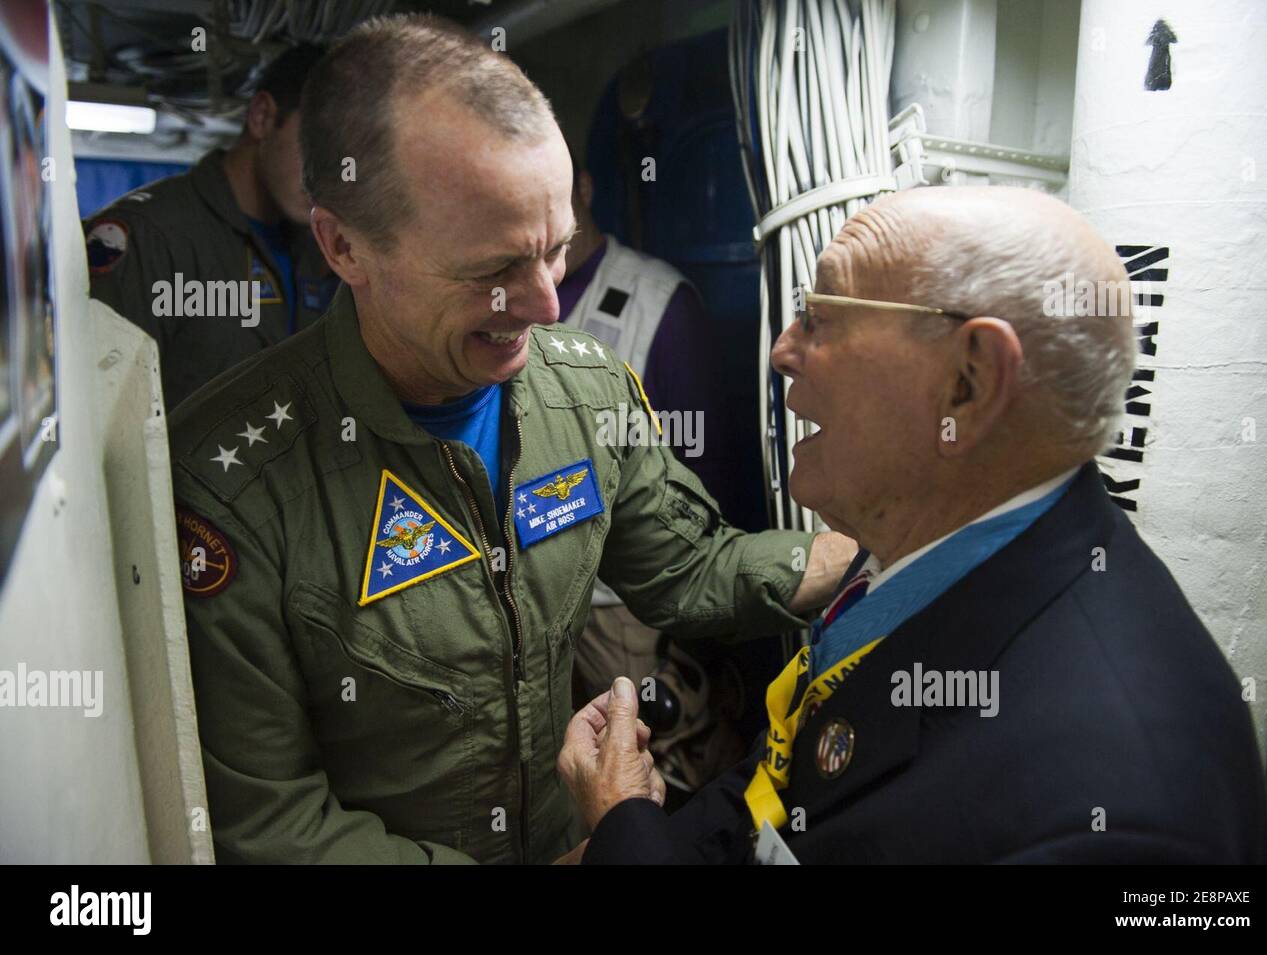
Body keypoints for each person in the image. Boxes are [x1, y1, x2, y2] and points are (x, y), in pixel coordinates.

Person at [168, 14, 856, 865]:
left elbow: (688, 569)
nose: (544, 306)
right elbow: (273, 825)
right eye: (495, 271)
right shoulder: (234, 484)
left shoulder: (586, 390)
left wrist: (864, 556)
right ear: (345, 245)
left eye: (556, 251)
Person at [558, 186, 1267, 864]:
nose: (782, 350)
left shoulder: (1117, 815)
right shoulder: (915, 563)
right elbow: (784, 794)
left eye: (821, 317)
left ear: (970, 379)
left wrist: (625, 823)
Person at [560, 146, 753, 793]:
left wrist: (696, 633)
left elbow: (706, 481)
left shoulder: (658, 302)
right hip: (546, 598)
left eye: (554, 192)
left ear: (584, 186)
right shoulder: (509, 298)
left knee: (665, 766)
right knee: (579, 773)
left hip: (629, 605)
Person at [84, 44, 337, 410]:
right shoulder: (150, 237)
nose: (328, 175)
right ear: (263, 116)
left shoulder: (322, 247)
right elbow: (102, 419)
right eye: (319, 144)